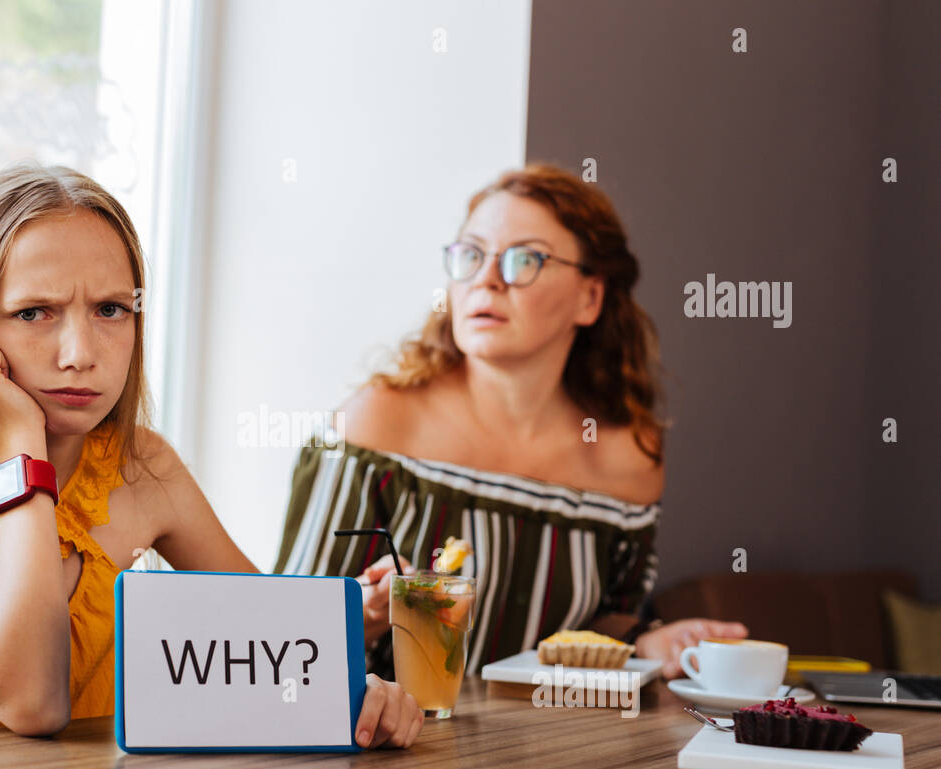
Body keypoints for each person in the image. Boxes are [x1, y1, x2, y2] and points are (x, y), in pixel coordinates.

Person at [0, 162, 420, 753]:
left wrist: (346, 637)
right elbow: (29, 699)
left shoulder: (145, 470)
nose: (80, 353)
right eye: (35, 313)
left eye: (112, 310)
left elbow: (267, 655)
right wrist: (19, 442)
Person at [273, 163, 746, 681]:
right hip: (388, 750)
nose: (488, 279)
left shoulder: (628, 455)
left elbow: (602, 632)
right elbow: (289, 639)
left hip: (554, 752)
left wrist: (654, 641)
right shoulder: (378, 422)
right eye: (472, 255)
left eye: (525, 259)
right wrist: (364, 616)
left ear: (590, 298)